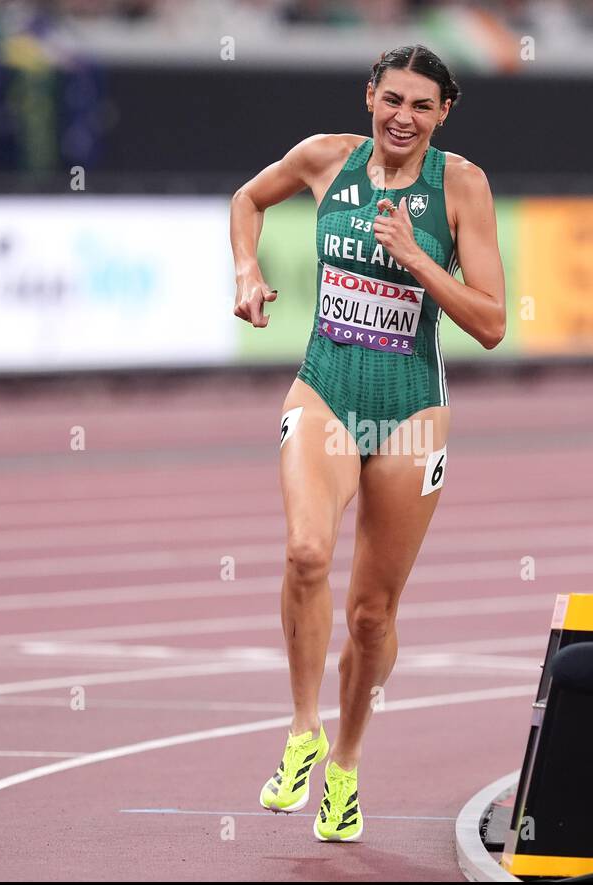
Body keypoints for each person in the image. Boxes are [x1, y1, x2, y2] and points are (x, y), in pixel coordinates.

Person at [228, 44, 506, 841]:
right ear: (369, 97)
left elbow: (490, 323)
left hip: (412, 408)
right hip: (326, 388)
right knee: (306, 553)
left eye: (422, 105)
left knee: (373, 618)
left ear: (442, 113)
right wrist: (246, 272)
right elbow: (248, 199)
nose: (403, 116)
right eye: (392, 99)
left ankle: (345, 766)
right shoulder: (325, 160)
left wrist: (417, 256)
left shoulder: (461, 186)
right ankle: (302, 730)